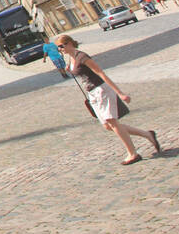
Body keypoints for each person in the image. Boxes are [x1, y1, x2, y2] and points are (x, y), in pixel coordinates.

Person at [54, 34, 161, 165]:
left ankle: (133, 153)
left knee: (113, 122)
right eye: (58, 48)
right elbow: (78, 71)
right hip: (92, 94)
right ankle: (147, 134)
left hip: (101, 90)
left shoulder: (82, 56)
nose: (60, 49)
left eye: (61, 46)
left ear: (69, 43)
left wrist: (120, 93)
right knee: (107, 126)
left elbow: (100, 73)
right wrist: (70, 69)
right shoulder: (71, 59)